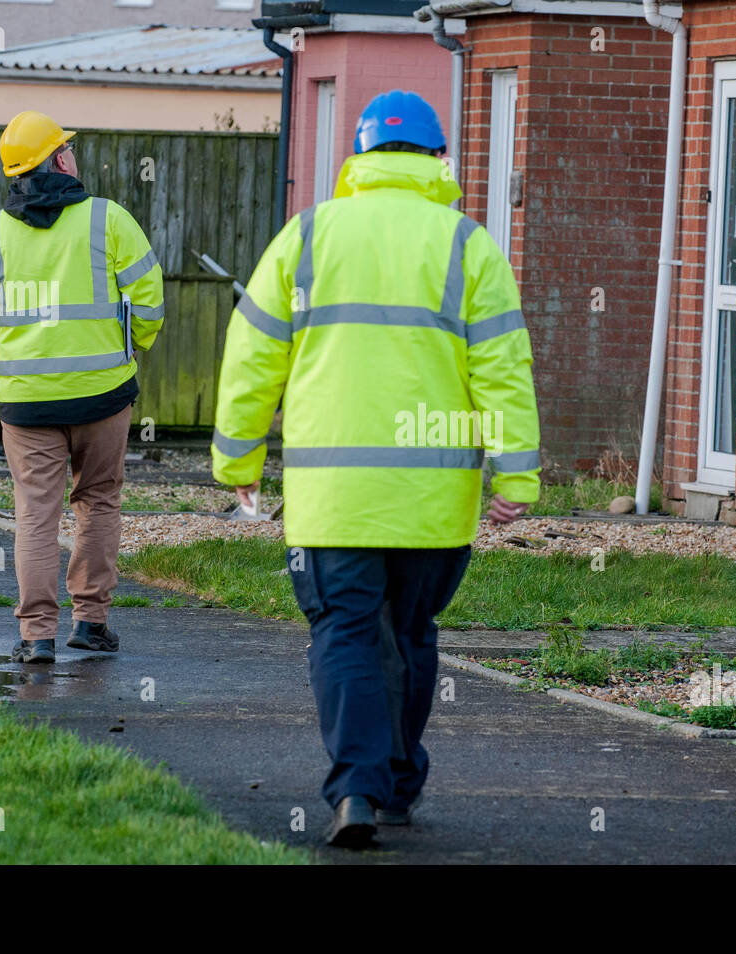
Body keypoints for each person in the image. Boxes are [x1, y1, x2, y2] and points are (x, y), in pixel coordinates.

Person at [211, 90, 541, 848]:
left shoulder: (309, 237)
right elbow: (505, 371)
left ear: (357, 157)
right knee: (413, 631)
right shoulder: (468, 246)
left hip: (334, 498)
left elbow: (253, 353)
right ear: (436, 158)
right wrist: (514, 477)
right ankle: (396, 783)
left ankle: (355, 790)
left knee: (346, 632)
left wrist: (238, 455)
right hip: (433, 501)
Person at [0, 110, 164, 664]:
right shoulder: (108, 220)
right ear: (59, 160)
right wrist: (133, 345)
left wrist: (12, 351)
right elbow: (150, 301)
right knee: (97, 502)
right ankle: (91, 623)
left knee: (35, 512)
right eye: (66, 148)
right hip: (104, 396)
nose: (72, 154)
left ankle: (36, 636)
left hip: (26, 404)